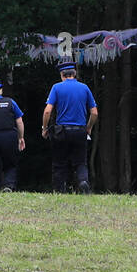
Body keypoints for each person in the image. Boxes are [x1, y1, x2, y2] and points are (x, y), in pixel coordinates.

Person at [41, 61, 98, 193]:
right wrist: (88, 127)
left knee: (59, 163)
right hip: (80, 131)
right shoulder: (84, 88)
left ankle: (59, 190)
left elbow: (47, 111)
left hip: (62, 131)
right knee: (80, 162)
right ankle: (83, 181)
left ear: (62, 75)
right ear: (74, 74)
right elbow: (94, 112)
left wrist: (45, 128)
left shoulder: (56, 87)